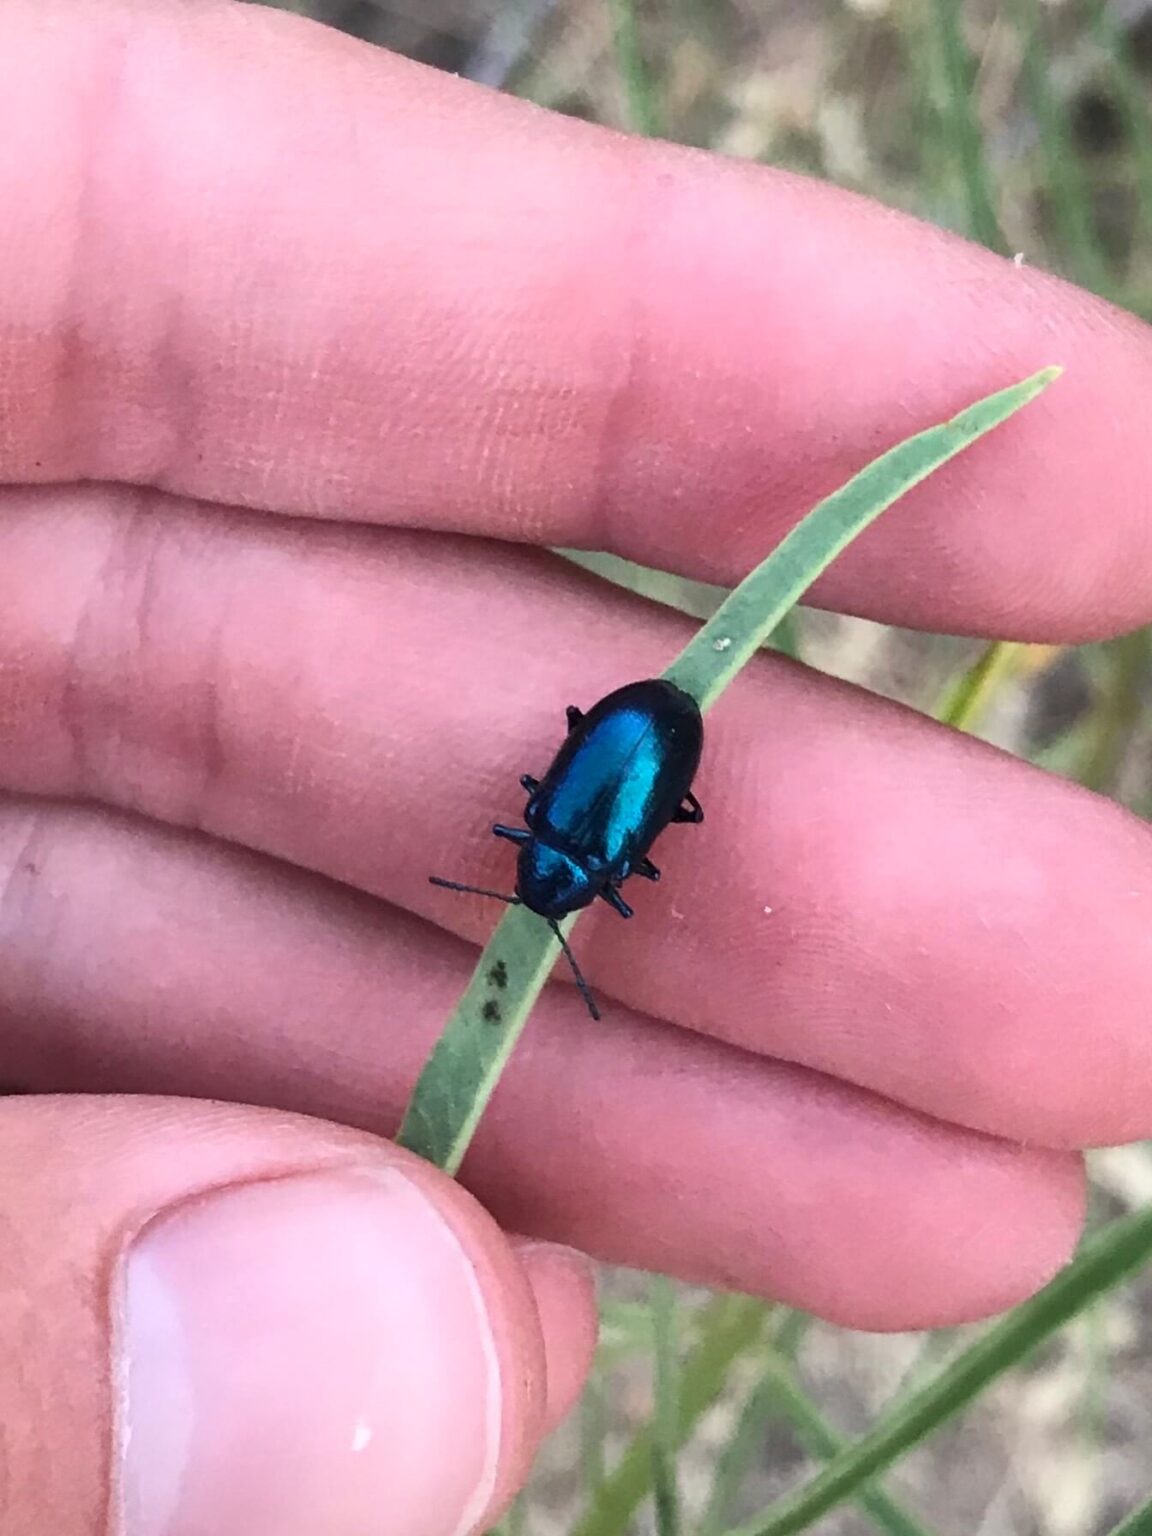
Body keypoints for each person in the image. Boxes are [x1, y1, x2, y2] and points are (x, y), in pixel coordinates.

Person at [3, 2, 1152, 1532]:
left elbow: (627, 777)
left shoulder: (572, 854)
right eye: (555, 885)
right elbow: (624, 787)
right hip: (634, 739)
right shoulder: (576, 857)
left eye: (549, 882)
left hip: (633, 737)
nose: (547, 888)